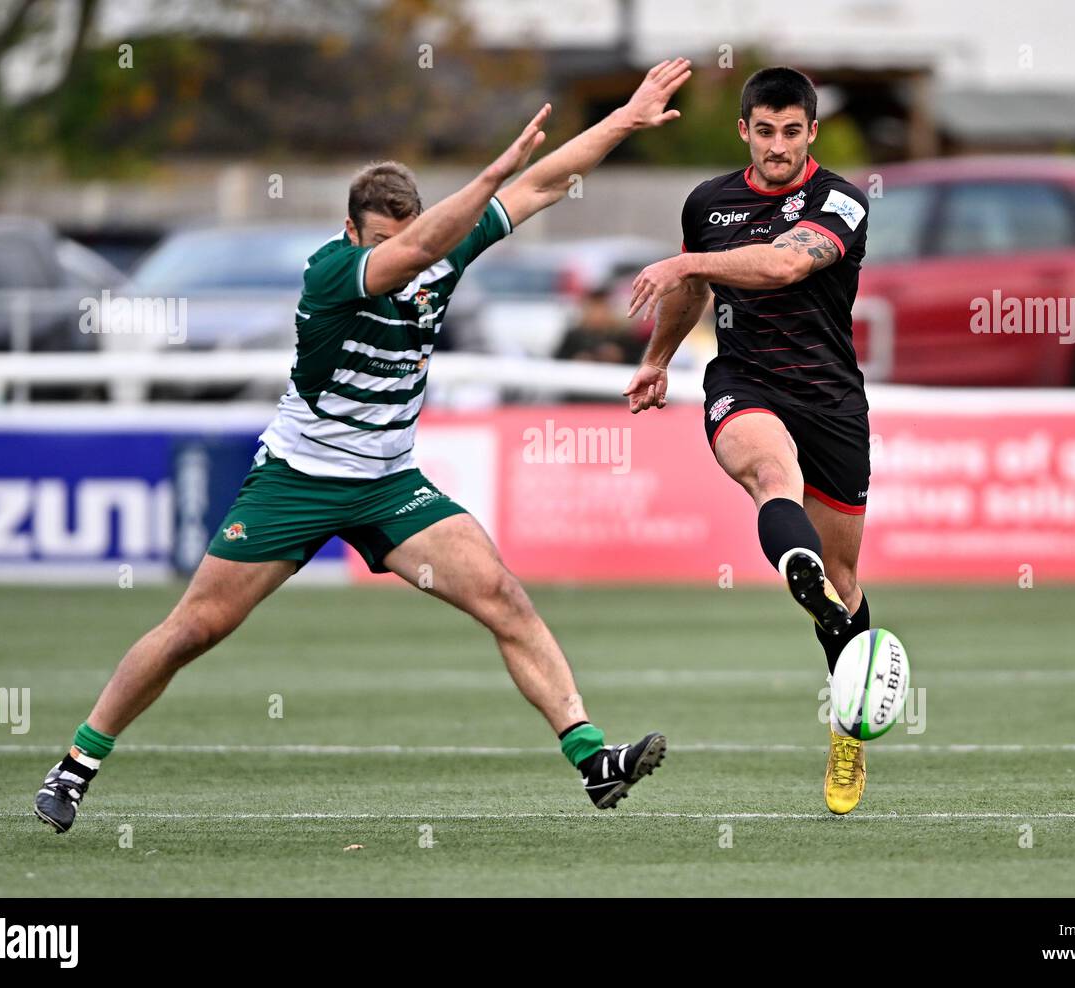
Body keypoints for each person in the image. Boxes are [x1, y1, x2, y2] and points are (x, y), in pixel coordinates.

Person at [34, 58, 694, 834]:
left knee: (504, 598)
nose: (396, 247)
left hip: (388, 485)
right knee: (195, 629)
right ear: (352, 232)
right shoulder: (332, 271)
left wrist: (625, 116)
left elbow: (547, 182)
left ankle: (592, 760)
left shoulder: (434, 245)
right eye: (379, 235)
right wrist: (488, 179)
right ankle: (77, 762)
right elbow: (410, 259)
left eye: (404, 231)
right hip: (300, 479)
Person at [622, 66, 875, 815]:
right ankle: (795, 562)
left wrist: (684, 260)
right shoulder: (708, 203)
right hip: (745, 383)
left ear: (811, 133)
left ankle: (847, 732)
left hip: (831, 401)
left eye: (790, 132)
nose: (776, 146)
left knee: (847, 580)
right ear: (744, 131)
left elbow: (787, 263)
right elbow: (696, 293)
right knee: (770, 473)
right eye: (763, 131)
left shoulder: (841, 201)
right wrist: (658, 359)